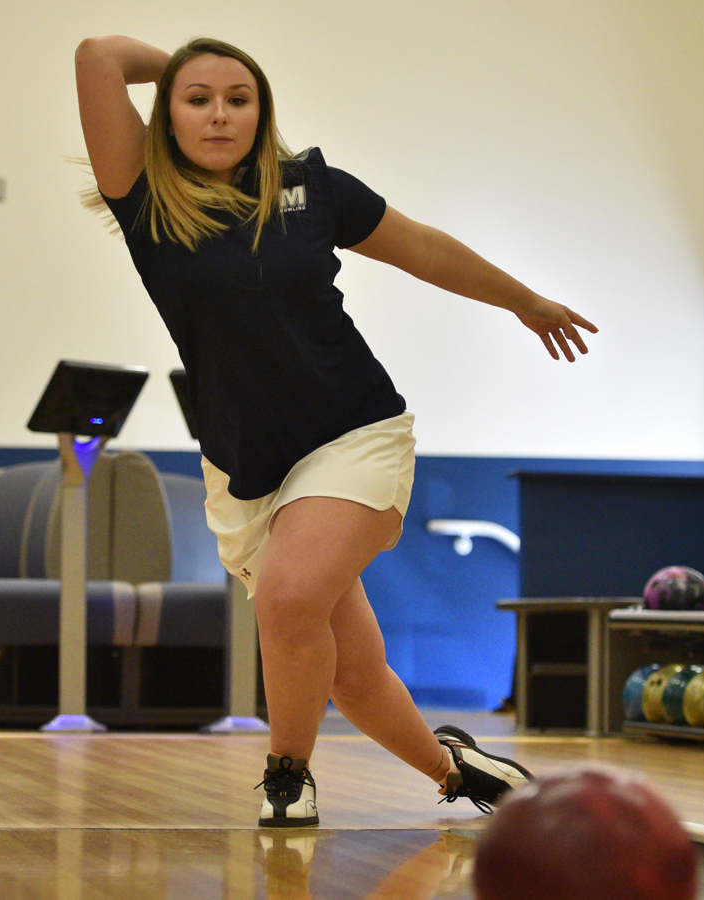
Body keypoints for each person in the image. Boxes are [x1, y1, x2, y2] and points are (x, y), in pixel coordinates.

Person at [74, 35, 597, 827]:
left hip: (353, 434)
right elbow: (96, 57)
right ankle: (459, 770)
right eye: (198, 98)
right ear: (168, 116)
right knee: (349, 674)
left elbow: (420, 246)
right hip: (245, 467)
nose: (219, 113)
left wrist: (524, 300)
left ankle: (287, 772)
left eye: (238, 99)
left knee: (285, 600)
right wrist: (182, 58)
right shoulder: (145, 199)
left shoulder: (311, 187)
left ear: (263, 112)